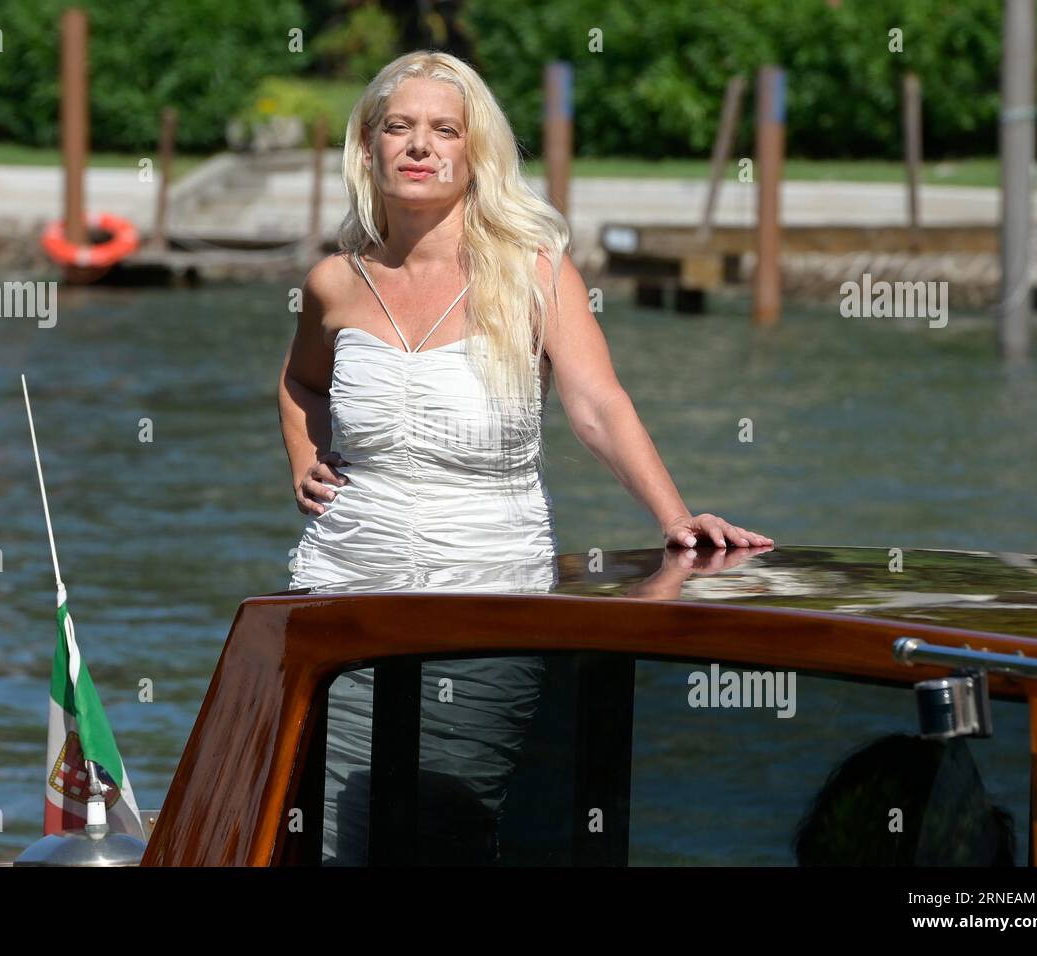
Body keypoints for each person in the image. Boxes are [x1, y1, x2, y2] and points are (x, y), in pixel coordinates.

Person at [277, 50, 774, 863]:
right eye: (398, 127)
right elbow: (301, 381)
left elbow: (596, 404)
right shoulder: (335, 282)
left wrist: (675, 517)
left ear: (478, 154)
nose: (420, 146)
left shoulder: (535, 272)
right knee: (333, 845)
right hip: (340, 604)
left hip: (488, 601)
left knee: (449, 836)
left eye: (446, 130)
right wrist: (305, 457)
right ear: (366, 147)